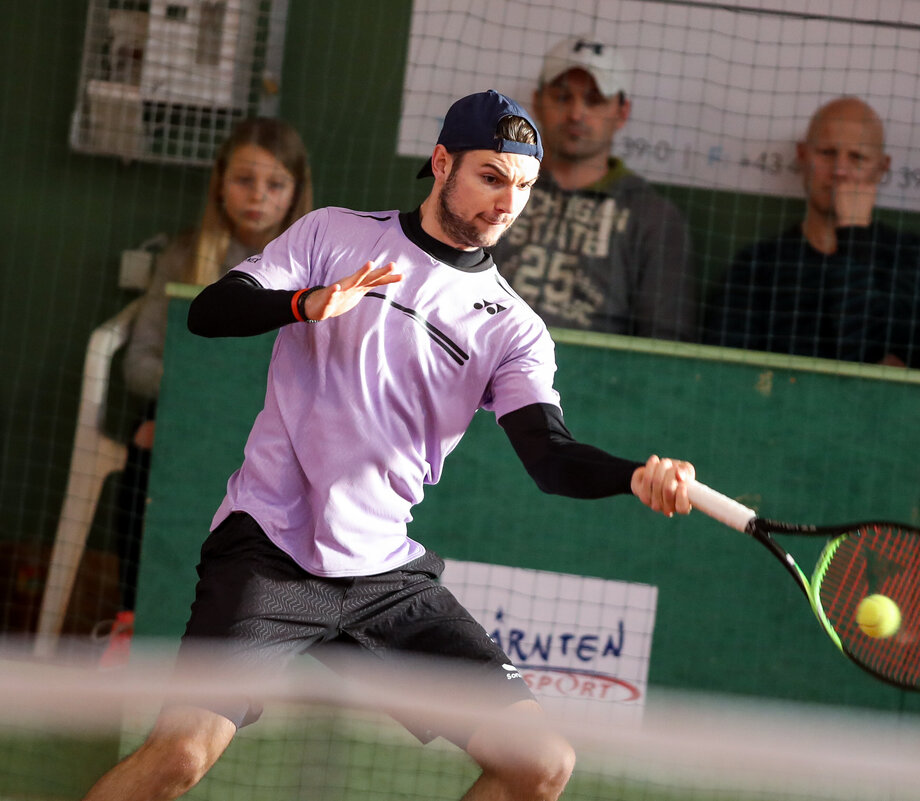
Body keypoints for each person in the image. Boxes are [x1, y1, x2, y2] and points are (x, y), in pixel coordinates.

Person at [82, 90, 696, 801]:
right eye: (491, 177)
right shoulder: (333, 234)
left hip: (382, 576)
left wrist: (633, 476)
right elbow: (212, 311)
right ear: (442, 163)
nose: (507, 203)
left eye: (524, 187)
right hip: (268, 548)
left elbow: (550, 456)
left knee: (542, 762)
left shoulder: (514, 329)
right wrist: (304, 303)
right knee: (180, 756)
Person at [113, 117, 312, 621]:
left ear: (295, 192)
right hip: (186, 424)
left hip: (278, 431)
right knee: (142, 451)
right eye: (244, 179)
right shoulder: (185, 256)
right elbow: (139, 362)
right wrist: (177, 412)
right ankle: (130, 617)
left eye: (275, 184)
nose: (258, 195)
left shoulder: (317, 266)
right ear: (220, 182)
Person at [703, 96, 920, 368]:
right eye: (827, 153)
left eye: (857, 157)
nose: (839, 171)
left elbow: (867, 351)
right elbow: (725, 366)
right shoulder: (757, 264)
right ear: (802, 155)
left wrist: (853, 230)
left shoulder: (911, 255)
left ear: (881, 168)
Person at [488, 35, 696, 341]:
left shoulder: (654, 217)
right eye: (562, 97)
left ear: (622, 112)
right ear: (537, 102)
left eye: (595, 100)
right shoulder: (494, 188)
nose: (576, 113)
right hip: (484, 355)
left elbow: (664, 340)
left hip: (600, 369)